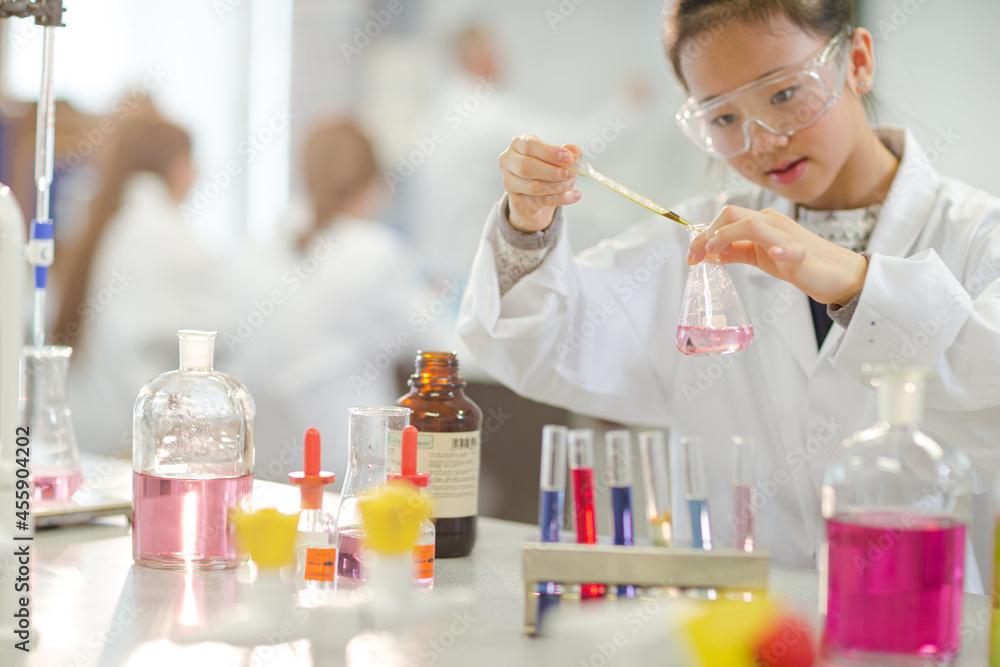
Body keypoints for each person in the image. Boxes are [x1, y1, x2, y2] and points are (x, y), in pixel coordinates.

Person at [457, 0, 1000, 582]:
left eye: (784, 94)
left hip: (913, 618)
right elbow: (542, 344)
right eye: (723, 119)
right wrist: (527, 224)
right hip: (737, 621)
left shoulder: (976, 234)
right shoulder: (701, 243)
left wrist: (856, 282)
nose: (761, 140)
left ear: (858, 62)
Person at [230, 118, 436, 482]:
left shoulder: (256, 248)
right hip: (345, 477)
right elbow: (432, 343)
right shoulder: (375, 251)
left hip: (263, 472)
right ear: (372, 184)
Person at [55, 118, 231, 457]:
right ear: (177, 167)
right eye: (192, 164)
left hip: (89, 423)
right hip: (126, 433)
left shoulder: (110, 219)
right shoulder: (164, 231)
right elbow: (227, 325)